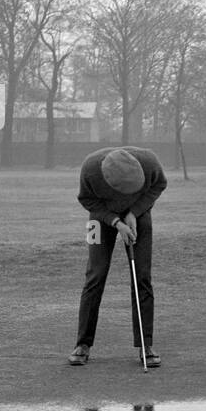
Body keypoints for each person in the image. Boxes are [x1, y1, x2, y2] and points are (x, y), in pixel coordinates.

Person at [69, 146, 167, 367]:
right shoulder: (90, 169)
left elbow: (159, 185)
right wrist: (115, 222)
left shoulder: (150, 161)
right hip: (99, 217)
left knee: (141, 276)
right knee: (95, 275)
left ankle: (145, 344)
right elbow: (86, 199)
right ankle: (82, 344)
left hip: (139, 214)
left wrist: (133, 212)